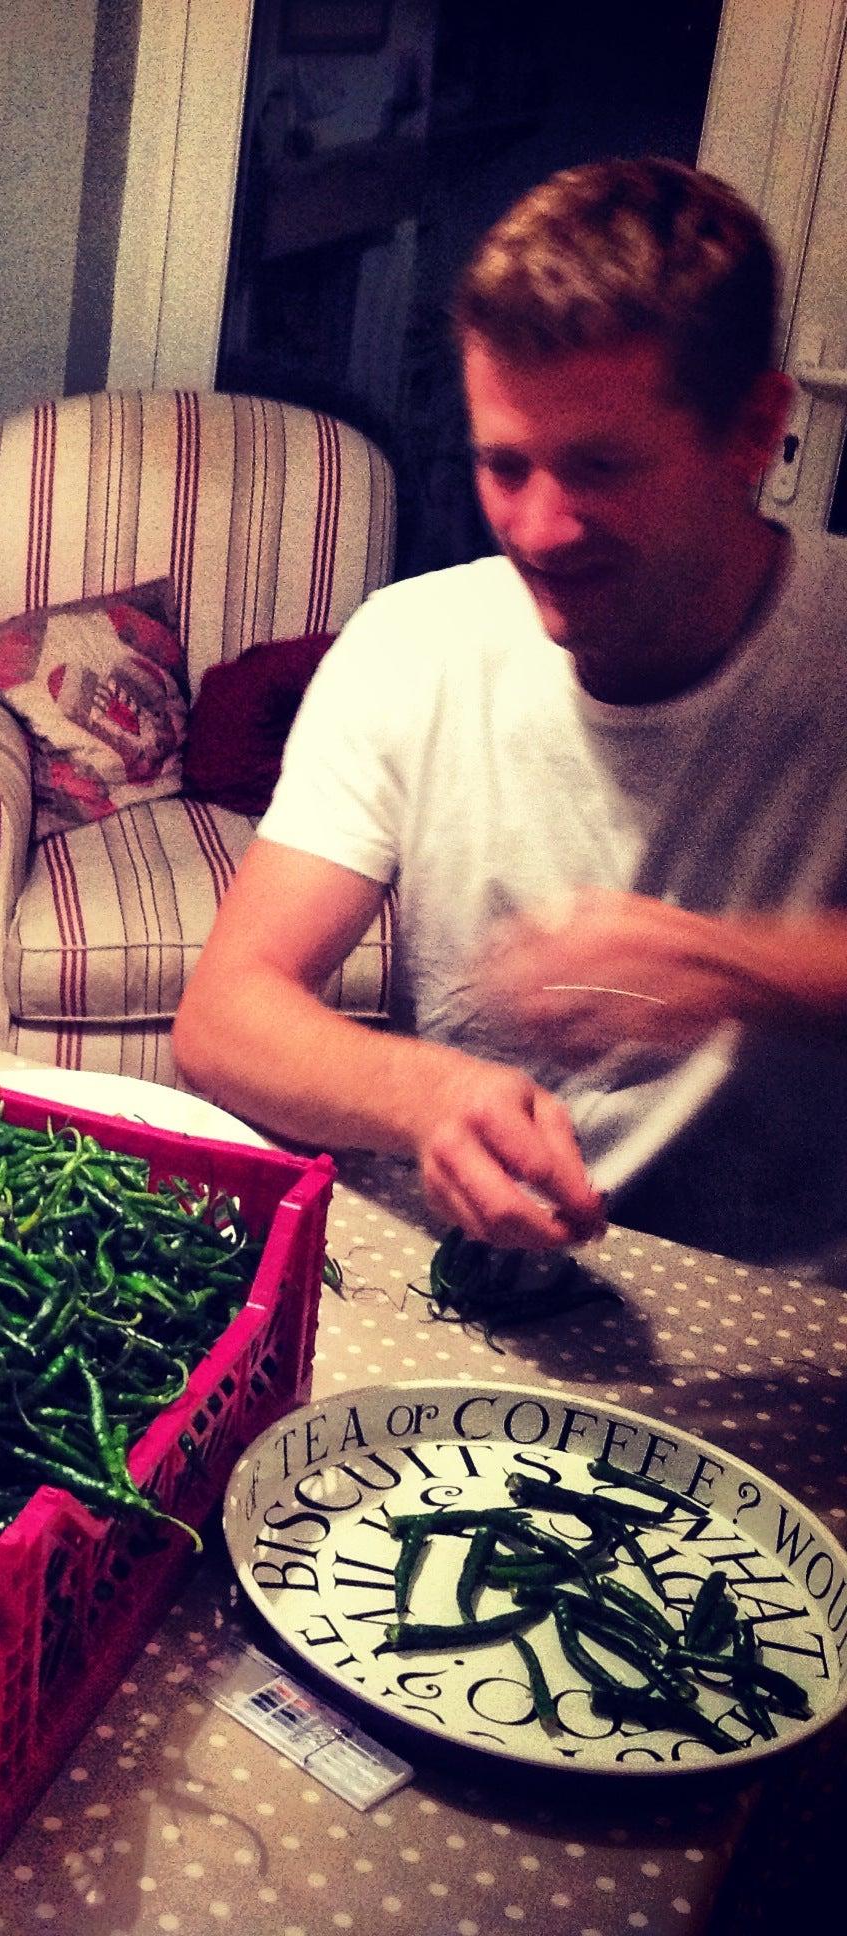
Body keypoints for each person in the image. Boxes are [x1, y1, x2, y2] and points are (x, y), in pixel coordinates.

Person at [174, 157, 847, 1268]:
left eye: (601, 466)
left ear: (751, 428)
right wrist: (423, 1094)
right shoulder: (410, 643)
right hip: (478, 1273)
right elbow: (223, 1016)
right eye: (504, 465)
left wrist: (741, 965)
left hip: (781, 1307)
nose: (537, 529)